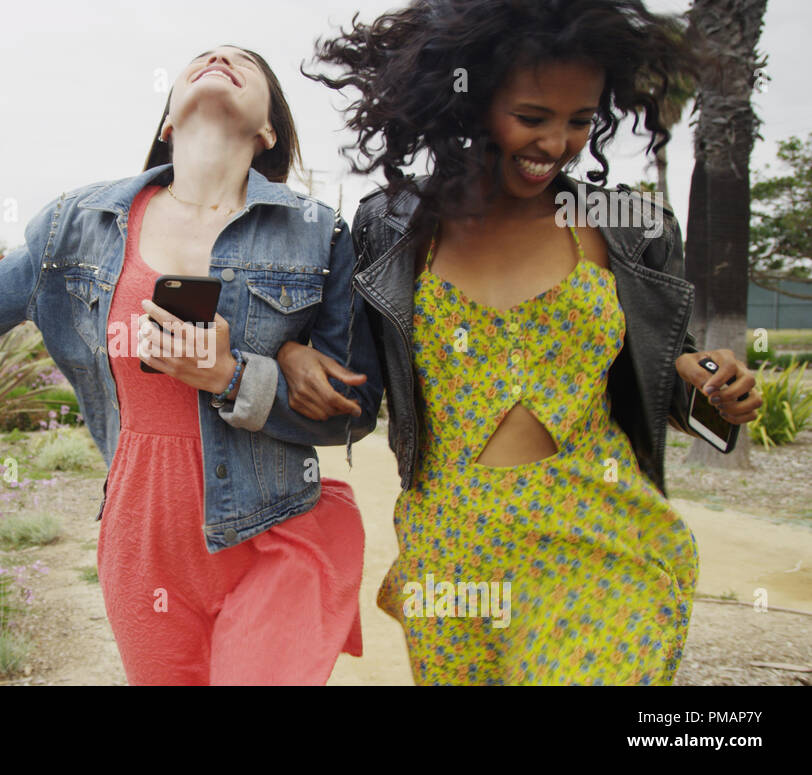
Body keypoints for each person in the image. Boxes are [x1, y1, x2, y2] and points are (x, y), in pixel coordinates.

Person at [0, 45, 384, 685]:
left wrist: (232, 376)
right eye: (200, 58)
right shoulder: (80, 226)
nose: (217, 57)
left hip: (274, 531)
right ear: (168, 125)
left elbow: (353, 412)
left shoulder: (319, 233)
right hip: (142, 540)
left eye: (243, 60)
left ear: (268, 130)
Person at [276, 0, 763, 685]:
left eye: (580, 121)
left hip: (601, 537)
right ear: (468, 104)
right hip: (451, 547)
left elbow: (670, 369)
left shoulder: (625, 225)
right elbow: (355, 389)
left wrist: (712, 385)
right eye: (532, 117)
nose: (557, 143)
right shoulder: (390, 225)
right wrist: (290, 355)